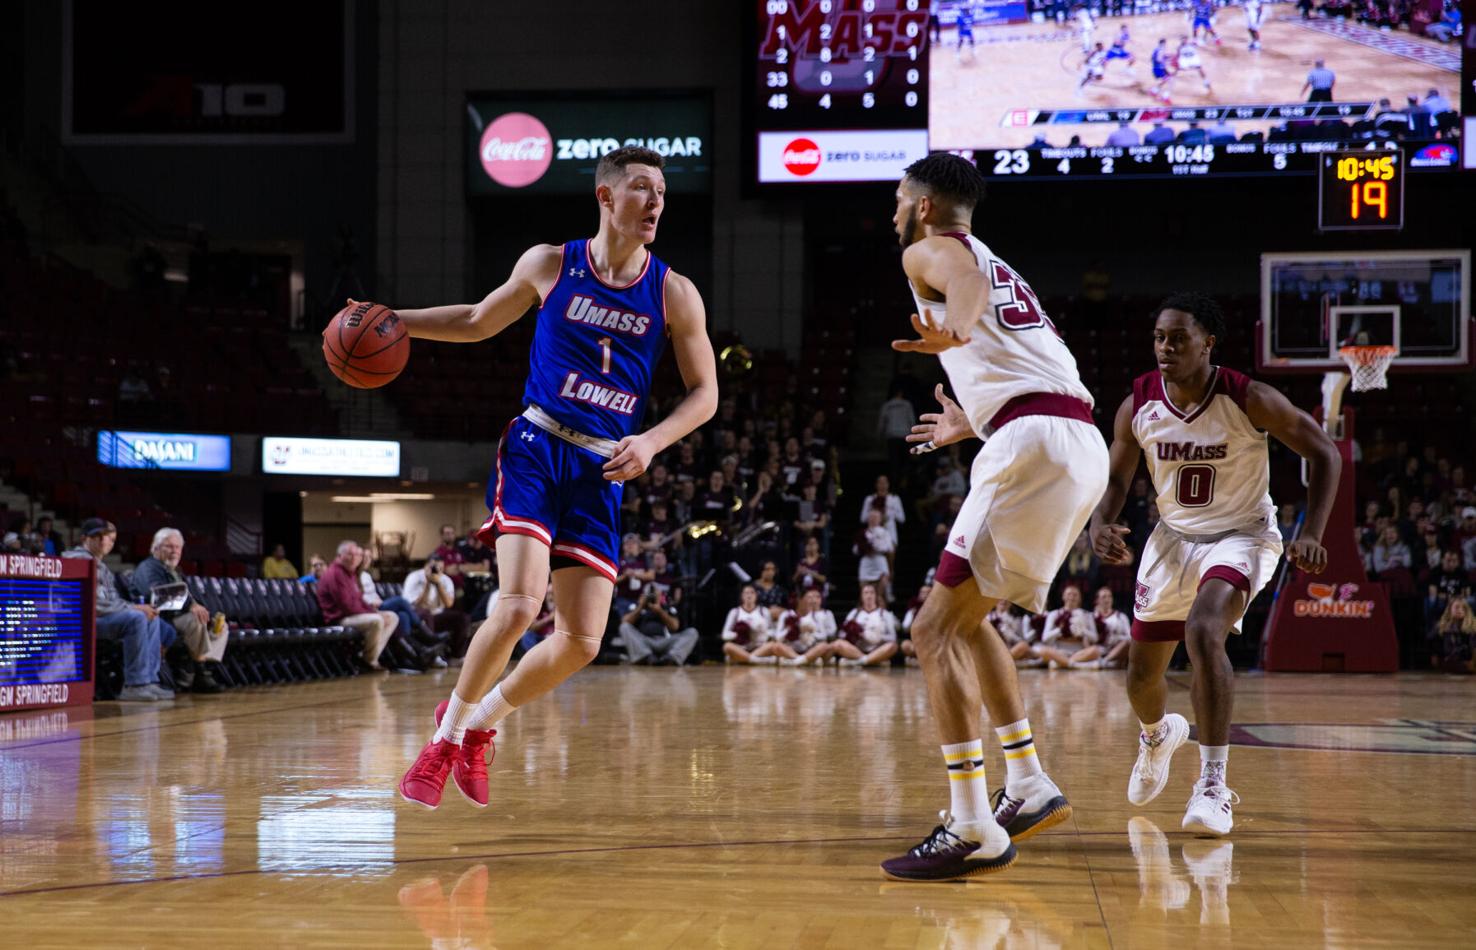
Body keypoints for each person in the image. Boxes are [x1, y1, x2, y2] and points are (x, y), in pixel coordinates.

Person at [391, 145, 718, 809]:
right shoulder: (551, 263)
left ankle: (482, 726)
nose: (656, 203)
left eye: (661, 192)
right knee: (517, 604)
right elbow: (480, 321)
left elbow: (705, 393)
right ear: (605, 197)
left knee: (581, 641)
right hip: (538, 444)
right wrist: (399, 321)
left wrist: (653, 441)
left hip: (603, 465)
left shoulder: (674, 291)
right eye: (640, 189)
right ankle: (443, 741)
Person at [880, 153, 1109, 881]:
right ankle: (1030, 783)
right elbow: (1029, 367)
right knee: (968, 620)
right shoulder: (1000, 260)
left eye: (896, 199)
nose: (893, 212)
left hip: (1033, 441)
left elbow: (967, 290)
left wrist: (954, 333)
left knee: (930, 630)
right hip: (1071, 438)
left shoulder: (934, 250)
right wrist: (975, 419)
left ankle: (974, 825)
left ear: (922, 207)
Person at [1089, 292, 1339, 837]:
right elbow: (1115, 478)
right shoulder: (1138, 404)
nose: (1166, 347)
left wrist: (1312, 532)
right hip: (1172, 538)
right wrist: (1099, 523)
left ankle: (1213, 784)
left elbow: (1325, 452)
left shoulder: (1249, 398)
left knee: (1204, 632)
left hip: (1241, 534)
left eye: (1178, 337)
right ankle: (1158, 735)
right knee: (1140, 677)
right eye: (1159, 337)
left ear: (1209, 343)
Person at [64, 518, 176, 701]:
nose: (103, 541)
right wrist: (134, 607)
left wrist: (137, 608)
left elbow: (110, 601)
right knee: (137, 617)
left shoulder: (99, 564)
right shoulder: (79, 560)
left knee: (151, 617)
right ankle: (135, 684)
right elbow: (94, 604)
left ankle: (150, 681)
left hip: (99, 617)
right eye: (97, 536)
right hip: (81, 621)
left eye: (107, 538)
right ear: (84, 538)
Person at [129, 527, 226, 693]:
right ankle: (201, 673)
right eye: (169, 546)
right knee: (196, 620)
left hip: (176, 616)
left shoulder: (175, 571)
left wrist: (200, 607)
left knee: (220, 626)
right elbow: (158, 594)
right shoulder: (148, 568)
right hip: (158, 617)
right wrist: (191, 606)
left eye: (178, 547)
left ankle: (195, 667)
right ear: (155, 548)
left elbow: (189, 595)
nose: (174, 551)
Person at [315, 540, 398, 670]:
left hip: (351, 615)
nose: (354, 558)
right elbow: (347, 606)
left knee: (392, 617)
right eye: (350, 554)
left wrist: (375, 612)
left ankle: (368, 657)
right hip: (338, 619)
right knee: (377, 621)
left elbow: (359, 600)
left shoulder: (350, 573)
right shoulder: (335, 573)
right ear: (340, 555)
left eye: (357, 555)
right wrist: (375, 614)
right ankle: (368, 661)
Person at [406, 552, 472, 658]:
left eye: (440, 568)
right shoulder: (414, 577)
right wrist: (427, 583)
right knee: (426, 614)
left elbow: (449, 604)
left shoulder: (445, 580)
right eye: (433, 567)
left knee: (463, 618)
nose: (436, 571)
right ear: (426, 566)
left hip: (437, 615)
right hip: (417, 614)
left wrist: (438, 584)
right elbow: (415, 604)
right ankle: (433, 656)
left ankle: (457, 656)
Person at [619, 584, 699, 666]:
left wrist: (659, 610)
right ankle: (645, 657)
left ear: (660, 594)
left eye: (654, 593)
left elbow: (675, 627)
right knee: (624, 627)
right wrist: (640, 607)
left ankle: (671, 658)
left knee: (692, 632)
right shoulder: (636, 606)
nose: (652, 595)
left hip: (665, 641)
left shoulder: (667, 607)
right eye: (649, 593)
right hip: (644, 642)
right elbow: (625, 622)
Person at [833, 583, 900, 667]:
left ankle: (860, 662)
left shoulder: (885, 614)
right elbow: (841, 633)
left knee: (893, 646)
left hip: (878, 649)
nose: (869, 595)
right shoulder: (854, 613)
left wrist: (876, 636)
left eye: (872, 592)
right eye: (866, 593)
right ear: (861, 596)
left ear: (876, 595)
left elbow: (893, 637)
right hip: (856, 650)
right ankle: (871, 660)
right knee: (837, 644)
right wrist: (853, 634)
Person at [775, 588, 837, 667]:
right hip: (791, 649)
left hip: (811, 650)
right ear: (799, 600)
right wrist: (793, 630)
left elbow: (823, 636)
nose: (812, 601)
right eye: (809, 597)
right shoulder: (787, 614)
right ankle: (804, 660)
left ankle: (798, 661)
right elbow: (778, 637)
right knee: (776, 646)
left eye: (814, 598)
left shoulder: (817, 615)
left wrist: (812, 632)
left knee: (824, 645)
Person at [721, 584, 777, 664]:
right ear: (741, 596)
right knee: (727, 646)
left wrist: (762, 633)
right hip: (741, 648)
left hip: (760, 647)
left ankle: (744, 659)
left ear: (756, 596)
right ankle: (757, 660)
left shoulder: (764, 611)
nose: (749, 595)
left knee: (772, 645)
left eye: (752, 593)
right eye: (746, 593)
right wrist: (740, 633)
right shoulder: (735, 612)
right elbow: (725, 634)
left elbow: (772, 631)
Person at [855, 508, 895, 604]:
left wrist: (875, 547)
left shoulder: (885, 532)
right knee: (864, 591)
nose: (873, 519)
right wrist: (864, 547)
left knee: (880, 594)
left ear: (880, 519)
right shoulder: (863, 533)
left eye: (876, 517)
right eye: (871, 517)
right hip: (866, 561)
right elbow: (855, 550)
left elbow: (889, 547)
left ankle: (882, 615)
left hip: (879, 560)